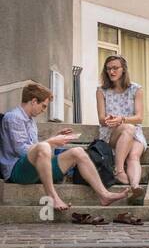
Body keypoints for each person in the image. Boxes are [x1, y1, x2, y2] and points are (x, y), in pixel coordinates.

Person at [0, 82, 130, 213]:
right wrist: (51, 141)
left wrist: (55, 138)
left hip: (33, 168)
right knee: (44, 146)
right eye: (43, 106)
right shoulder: (14, 117)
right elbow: (21, 151)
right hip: (16, 171)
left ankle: (104, 195)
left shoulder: (30, 120)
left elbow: (35, 149)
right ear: (34, 101)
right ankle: (53, 198)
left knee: (77, 152)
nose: (44, 110)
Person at [96, 55, 146, 192]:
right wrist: (111, 119)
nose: (111, 72)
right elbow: (101, 119)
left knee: (134, 156)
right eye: (108, 69)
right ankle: (119, 171)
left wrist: (121, 119)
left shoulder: (136, 89)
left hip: (134, 133)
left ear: (123, 69)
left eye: (115, 68)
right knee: (128, 128)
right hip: (111, 134)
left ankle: (135, 187)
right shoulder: (101, 91)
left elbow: (139, 118)